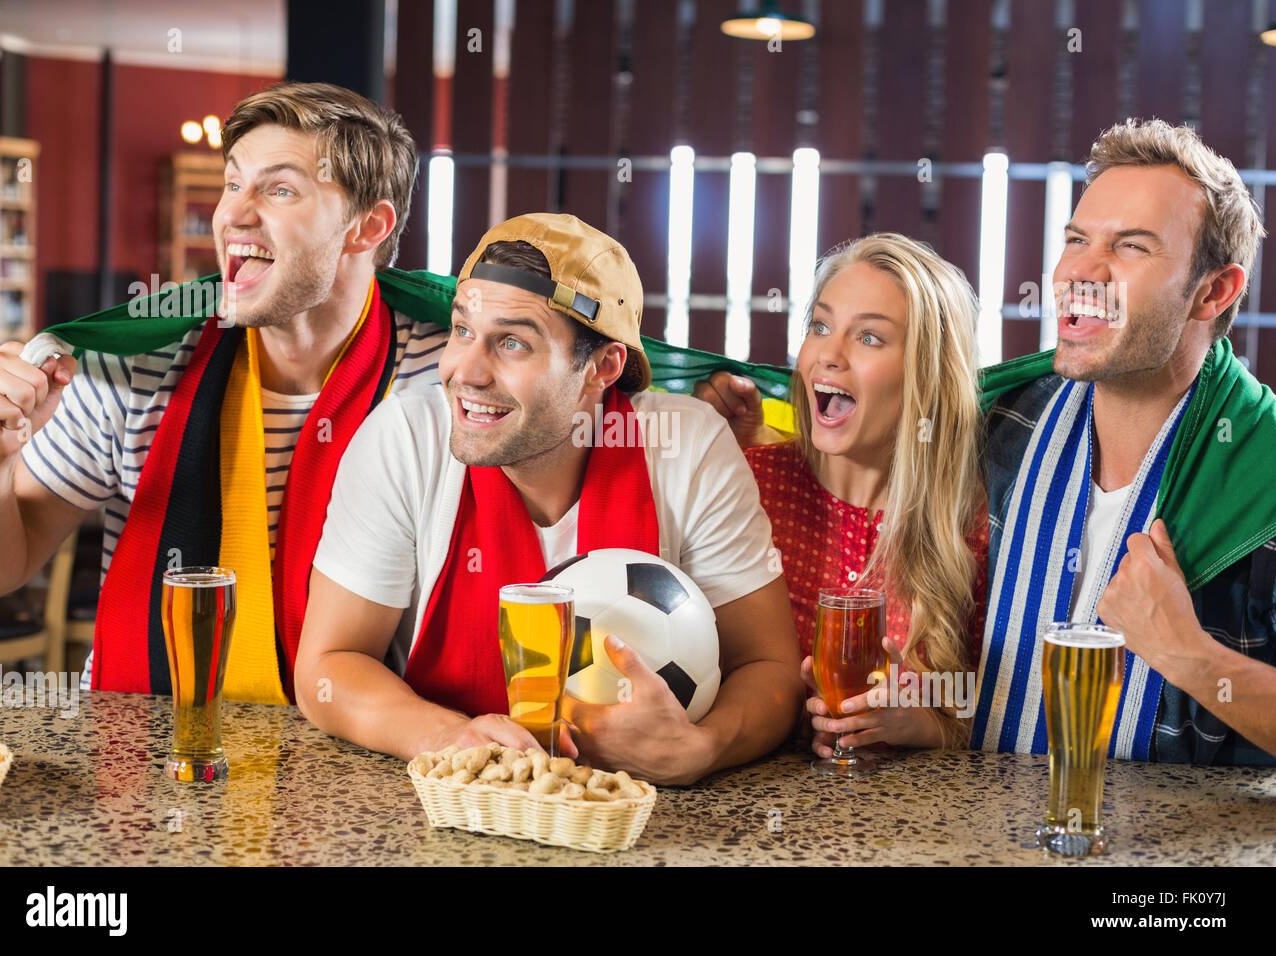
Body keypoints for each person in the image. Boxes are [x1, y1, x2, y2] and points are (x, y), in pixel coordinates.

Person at [0, 81, 450, 705]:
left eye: (279, 189)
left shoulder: (446, 379)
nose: (234, 215)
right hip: (136, 750)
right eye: (233, 183)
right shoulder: (136, 361)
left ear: (367, 227)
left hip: (360, 755)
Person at [295, 213, 803, 786]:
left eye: (512, 343)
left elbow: (771, 669)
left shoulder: (688, 447)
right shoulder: (404, 438)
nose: (466, 372)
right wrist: (447, 738)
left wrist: (702, 749)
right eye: (462, 330)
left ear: (602, 368)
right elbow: (327, 668)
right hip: (450, 805)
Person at [975, 118, 1276, 763]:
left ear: (1214, 292)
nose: (1081, 271)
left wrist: (1185, 653)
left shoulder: (1264, 470)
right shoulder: (1004, 425)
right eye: (1076, 239)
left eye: (1132, 247)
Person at [695, 234, 988, 755]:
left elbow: (994, 724)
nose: (828, 356)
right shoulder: (741, 485)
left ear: (928, 375)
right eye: (820, 326)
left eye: (869, 338)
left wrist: (920, 726)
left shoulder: (975, 529)